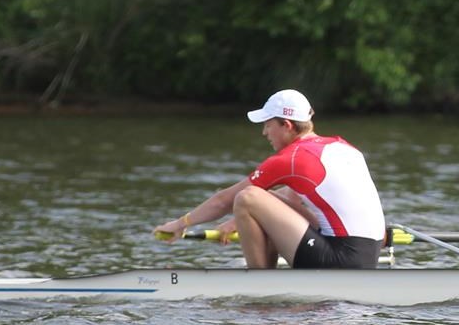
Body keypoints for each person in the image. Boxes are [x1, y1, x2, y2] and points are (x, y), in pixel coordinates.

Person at [152, 89, 387, 269]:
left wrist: (180, 223)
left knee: (247, 197)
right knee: (264, 198)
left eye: (267, 124)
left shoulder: (292, 158)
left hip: (339, 259)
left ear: (286, 125)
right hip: (366, 255)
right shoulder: (341, 146)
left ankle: (260, 282)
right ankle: (268, 276)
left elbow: (224, 201)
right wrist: (238, 223)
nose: (264, 132)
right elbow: (286, 201)